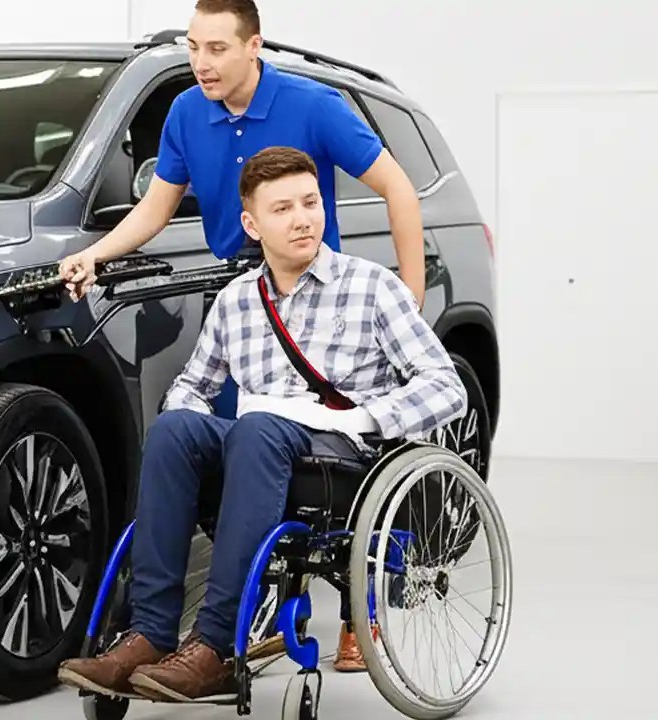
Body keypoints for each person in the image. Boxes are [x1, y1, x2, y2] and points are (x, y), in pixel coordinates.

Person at [56, 146, 466, 702]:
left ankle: (215, 646)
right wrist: (192, 419)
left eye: (310, 203)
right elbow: (192, 386)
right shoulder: (236, 301)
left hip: (340, 459)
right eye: (283, 209)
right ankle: (149, 634)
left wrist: (365, 416)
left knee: (257, 428)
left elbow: (446, 386)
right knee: (175, 429)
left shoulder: (372, 287)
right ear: (252, 225)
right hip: (255, 452)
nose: (302, 219)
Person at [58, 0, 425, 309]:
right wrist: (94, 255)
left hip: (313, 296)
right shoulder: (185, 112)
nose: (201, 63)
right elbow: (154, 209)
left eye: (217, 49)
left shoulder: (315, 106)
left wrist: (411, 304)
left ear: (253, 46)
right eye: (193, 47)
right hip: (233, 295)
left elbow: (397, 187)